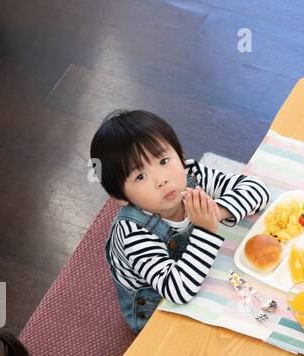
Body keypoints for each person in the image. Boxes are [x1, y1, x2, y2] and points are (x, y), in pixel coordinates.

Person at [92, 108, 271, 331]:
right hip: (156, 306)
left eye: (164, 161)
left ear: (181, 156)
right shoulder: (132, 233)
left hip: (195, 274)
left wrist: (217, 210)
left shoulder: (191, 176)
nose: (162, 179)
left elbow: (258, 189)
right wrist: (206, 229)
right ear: (120, 197)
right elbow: (178, 290)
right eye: (140, 176)